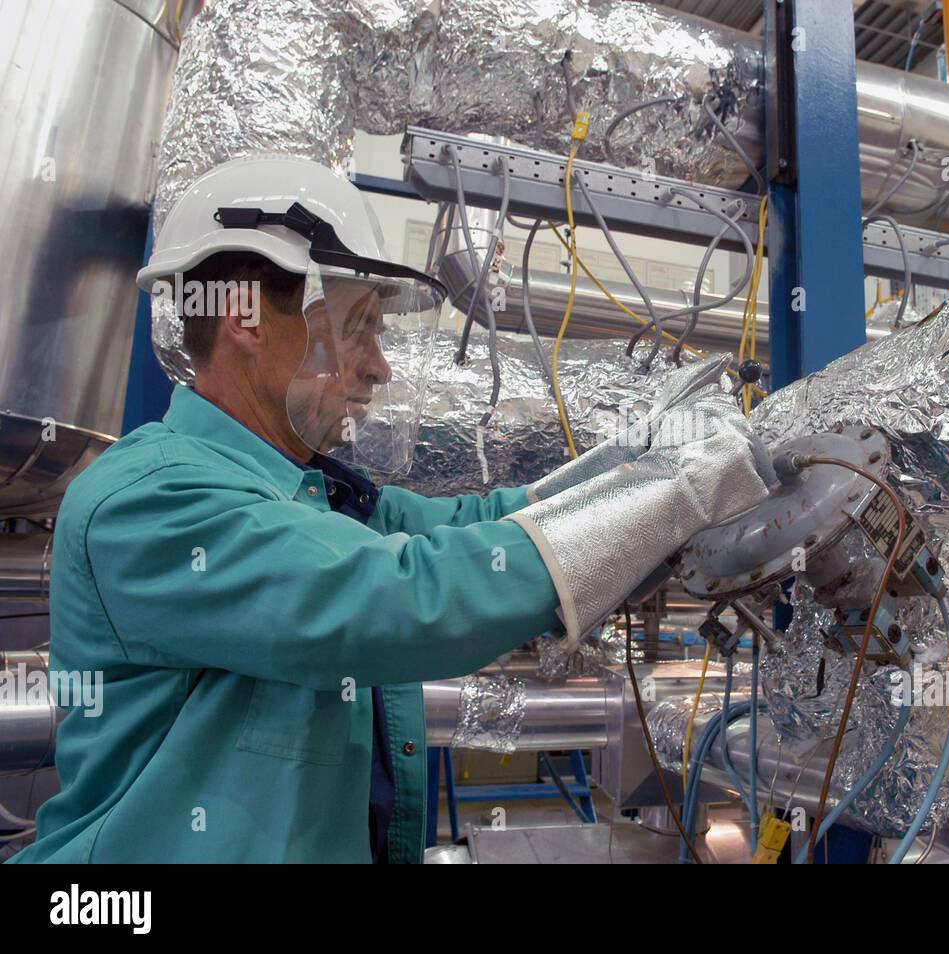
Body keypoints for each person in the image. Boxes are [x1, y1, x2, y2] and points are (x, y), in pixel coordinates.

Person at [7, 155, 771, 863]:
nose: (379, 364)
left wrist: (638, 462)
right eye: (358, 325)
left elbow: (482, 528)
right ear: (244, 315)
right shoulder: (150, 499)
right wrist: (676, 496)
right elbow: (398, 600)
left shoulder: (312, 495)